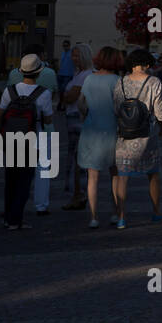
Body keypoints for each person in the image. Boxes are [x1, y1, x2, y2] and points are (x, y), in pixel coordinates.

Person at [0, 54, 54, 230]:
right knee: (24, 181)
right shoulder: (44, 93)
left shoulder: (10, 91)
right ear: (38, 73)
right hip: (31, 140)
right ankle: (15, 219)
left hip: (11, 139)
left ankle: (8, 216)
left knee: (10, 179)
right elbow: (49, 120)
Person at [112, 49, 162, 228]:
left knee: (122, 176)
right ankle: (156, 210)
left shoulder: (120, 82)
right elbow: (160, 112)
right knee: (153, 174)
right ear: (146, 64)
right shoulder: (153, 82)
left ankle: (121, 217)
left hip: (124, 134)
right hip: (147, 133)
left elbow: (116, 109)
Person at [8, 44, 58, 217]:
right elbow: (54, 96)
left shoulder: (13, 74)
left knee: (16, 168)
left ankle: (13, 203)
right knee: (42, 168)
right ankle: (41, 205)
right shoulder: (50, 74)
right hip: (42, 130)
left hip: (16, 128)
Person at [77, 47, 123, 228]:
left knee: (92, 177)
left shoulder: (89, 79)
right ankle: (115, 212)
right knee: (115, 175)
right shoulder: (117, 81)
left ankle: (94, 217)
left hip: (91, 130)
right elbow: (121, 108)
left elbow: (81, 104)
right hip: (112, 130)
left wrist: (86, 114)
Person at [60, 43, 94, 211]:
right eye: (72, 55)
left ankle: (78, 195)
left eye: (76, 55)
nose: (73, 59)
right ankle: (79, 194)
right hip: (75, 118)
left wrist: (65, 95)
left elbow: (70, 97)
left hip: (78, 119)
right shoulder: (79, 73)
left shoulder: (84, 75)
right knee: (78, 159)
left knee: (77, 159)